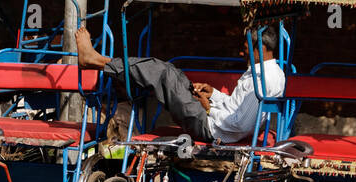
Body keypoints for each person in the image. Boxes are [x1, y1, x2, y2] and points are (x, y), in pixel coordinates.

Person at [74, 24, 285, 144]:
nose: (243, 51)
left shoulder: (264, 78)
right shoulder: (268, 72)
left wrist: (209, 108)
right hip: (215, 121)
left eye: (247, 46)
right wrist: (213, 95)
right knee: (171, 71)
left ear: (261, 47)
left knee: (162, 72)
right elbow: (237, 109)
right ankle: (100, 61)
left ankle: (98, 61)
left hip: (213, 128)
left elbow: (240, 124)